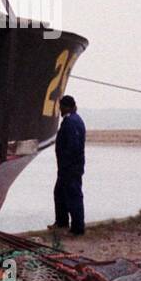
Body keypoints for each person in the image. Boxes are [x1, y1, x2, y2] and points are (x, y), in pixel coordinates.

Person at [53, 94, 86, 235]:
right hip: (67, 166)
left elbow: (74, 146)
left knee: (73, 195)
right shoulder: (72, 120)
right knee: (59, 192)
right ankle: (61, 222)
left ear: (67, 107)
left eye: (61, 107)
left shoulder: (72, 122)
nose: (60, 110)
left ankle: (77, 228)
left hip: (71, 167)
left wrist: (66, 164)